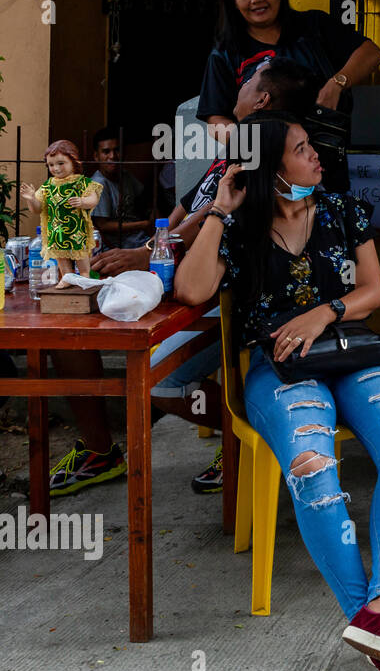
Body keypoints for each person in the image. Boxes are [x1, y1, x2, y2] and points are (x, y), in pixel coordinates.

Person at [175, 115, 380, 671]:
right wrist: (220, 210)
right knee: (313, 471)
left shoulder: (344, 210)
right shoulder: (242, 229)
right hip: (279, 370)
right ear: (273, 167)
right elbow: (192, 290)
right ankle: (375, 623)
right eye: (302, 150)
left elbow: (373, 292)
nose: (316, 156)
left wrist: (325, 311)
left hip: (351, 354)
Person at [48, 59, 317, 498]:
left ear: (262, 99)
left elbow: (214, 221)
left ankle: (243, 443)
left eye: (248, 82)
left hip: (214, 292)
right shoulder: (233, 149)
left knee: (159, 381)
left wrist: (148, 252)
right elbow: (187, 208)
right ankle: (100, 450)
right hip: (170, 272)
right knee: (69, 313)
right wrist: (150, 247)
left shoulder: (265, 157)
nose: (239, 86)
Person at [197, 0, 380, 193]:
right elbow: (215, 122)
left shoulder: (313, 27)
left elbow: (372, 53)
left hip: (323, 167)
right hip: (261, 177)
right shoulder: (225, 53)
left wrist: (337, 83)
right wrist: (261, 144)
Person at [21, 140, 101, 280]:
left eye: (61, 163)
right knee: (60, 256)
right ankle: (67, 277)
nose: (56, 169)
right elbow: (37, 209)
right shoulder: (48, 186)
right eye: (51, 165)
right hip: (56, 231)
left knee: (80, 252)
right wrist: (31, 198)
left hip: (76, 229)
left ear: (73, 161)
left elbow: (93, 199)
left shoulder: (81, 182)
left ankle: (84, 275)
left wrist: (83, 201)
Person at [90, 128, 153, 250]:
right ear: (96, 156)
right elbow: (102, 226)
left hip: (139, 238)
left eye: (117, 150)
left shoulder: (125, 176)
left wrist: (152, 213)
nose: (112, 156)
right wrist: (143, 224)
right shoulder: (98, 184)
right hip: (120, 245)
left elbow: (145, 197)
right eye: (106, 152)